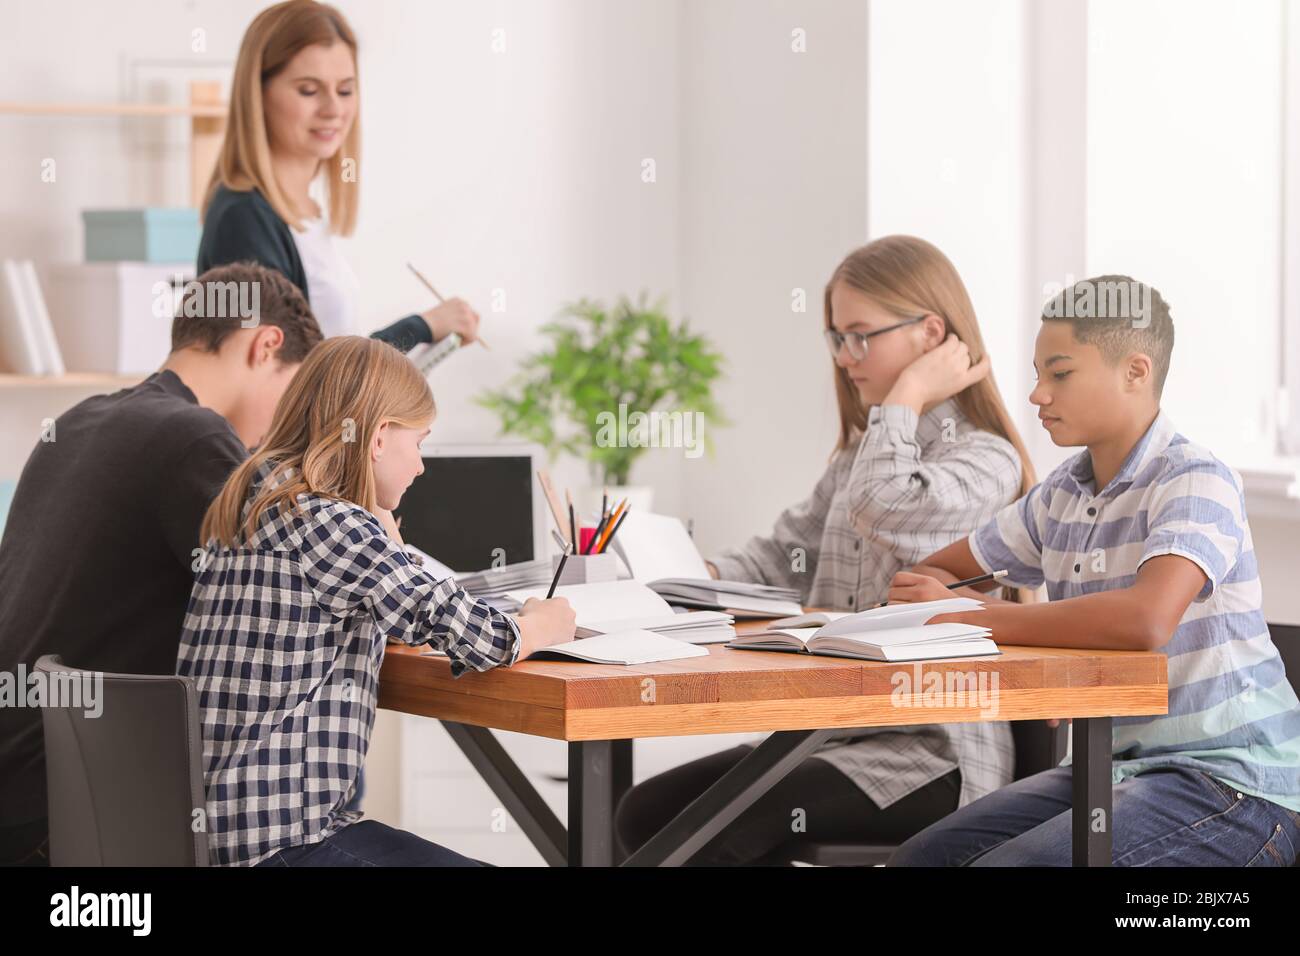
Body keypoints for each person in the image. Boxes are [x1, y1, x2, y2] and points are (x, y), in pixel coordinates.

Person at [615, 236, 1035, 864]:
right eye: (837, 337)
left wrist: (906, 394)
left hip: (926, 754)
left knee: (711, 836)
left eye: (861, 335)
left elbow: (885, 506)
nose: (845, 357)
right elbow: (784, 554)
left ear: (931, 334)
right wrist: (676, 576)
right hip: (829, 737)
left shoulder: (984, 461)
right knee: (643, 813)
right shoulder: (861, 458)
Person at [888, 276, 1300, 866]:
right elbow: (938, 574)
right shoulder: (1061, 494)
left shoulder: (1196, 478)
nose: (1037, 395)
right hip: (1111, 769)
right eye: (1036, 374)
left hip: (1234, 786)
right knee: (920, 860)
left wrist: (980, 617)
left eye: (1059, 374)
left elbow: (1146, 619)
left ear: (1136, 372)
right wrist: (988, 623)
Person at [177, 336, 576, 865]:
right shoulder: (329, 521)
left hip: (223, 834)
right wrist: (541, 624)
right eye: (420, 443)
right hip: (285, 844)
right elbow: (473, 635)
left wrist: (388, 545)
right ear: (379, 437)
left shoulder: (256, 497)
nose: (421, 466)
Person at [0, 262, 323, 865]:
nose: (285, 424)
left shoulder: (78, 421)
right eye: (294, 390)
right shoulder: (194, 438)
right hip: (71, 809)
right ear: (266, 344)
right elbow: (301, 590)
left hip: (27, 786)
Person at [198, 0, 482, 349]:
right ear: (258, 94)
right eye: (309, 90)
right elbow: (288, 384)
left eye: (345, 90)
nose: (333, 109)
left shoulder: (306, 215)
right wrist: (419, 328)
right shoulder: (243, 219)